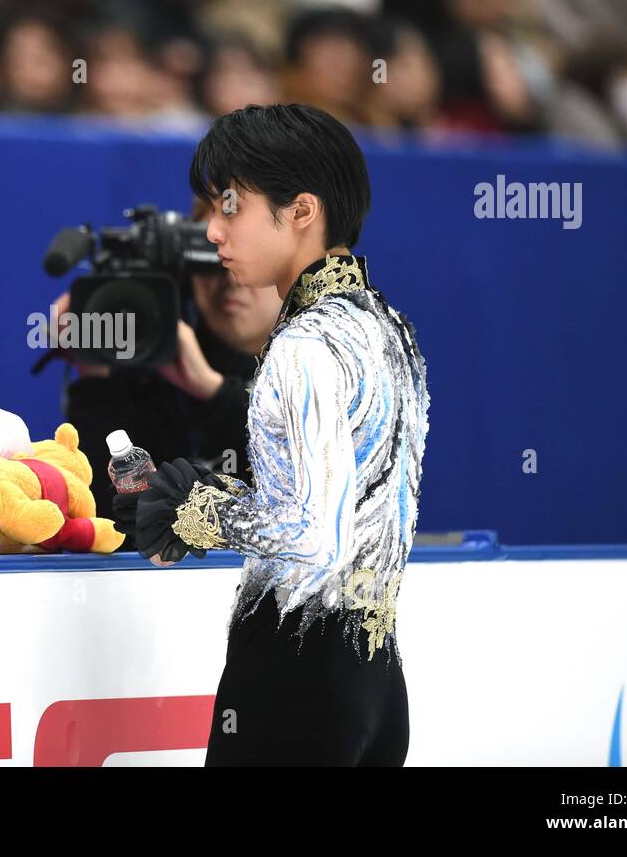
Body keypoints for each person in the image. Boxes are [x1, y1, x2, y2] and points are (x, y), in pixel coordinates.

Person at [116, 104, 429, 766]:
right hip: (376, 684)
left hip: (295, 683)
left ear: (302, 211)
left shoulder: (305, 343)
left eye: (232, 205)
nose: (212, 229)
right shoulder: (386, 326)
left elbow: (312, 529)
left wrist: (190, 506)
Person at [61, 207, 281, 533]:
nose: (231, 279)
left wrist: (215, 393)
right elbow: (109, 529)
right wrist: (96, 380)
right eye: (211, 258)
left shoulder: (320, 367)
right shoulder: (153, 376)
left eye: (251, 253)